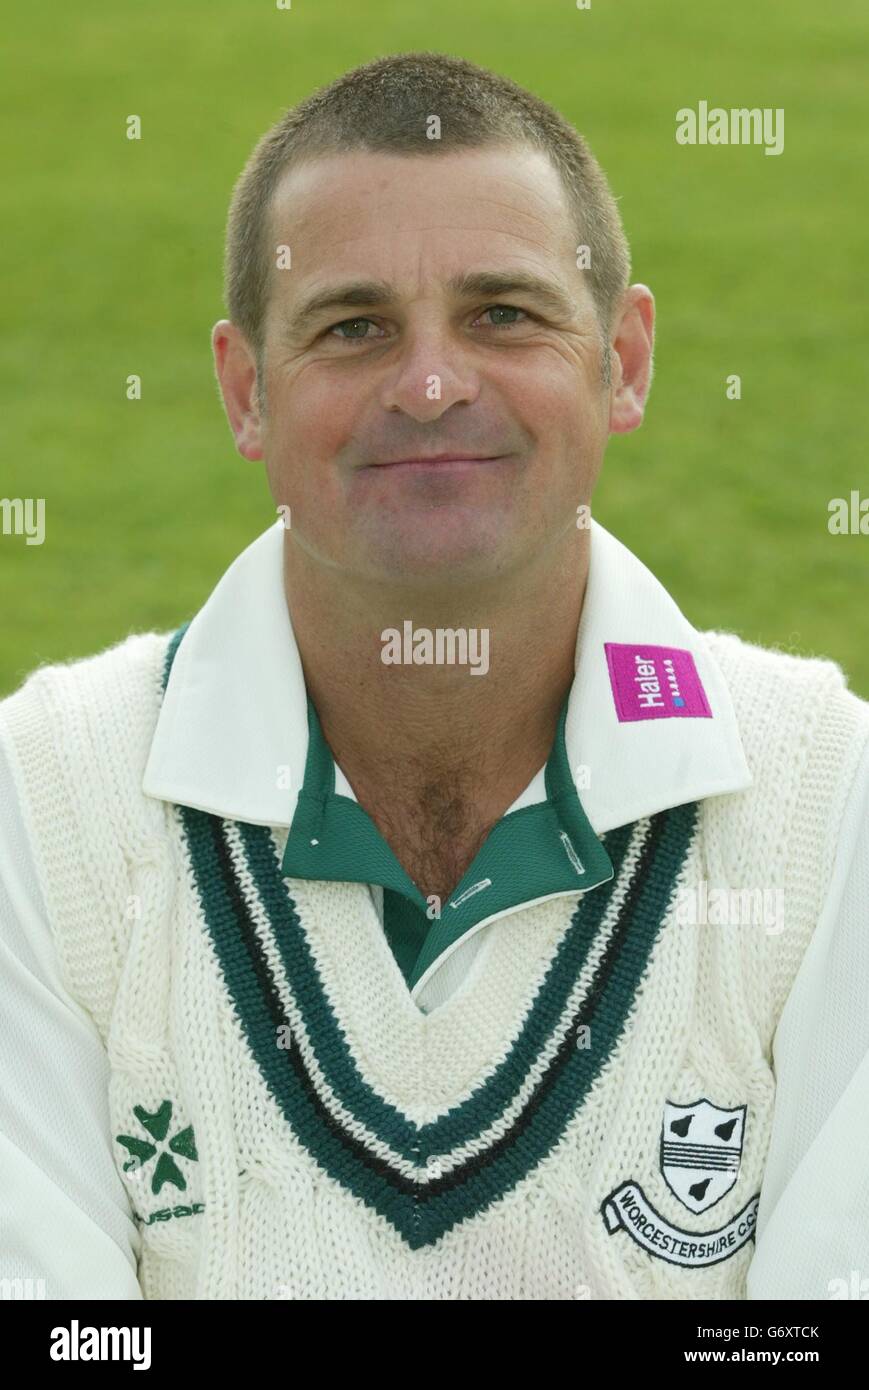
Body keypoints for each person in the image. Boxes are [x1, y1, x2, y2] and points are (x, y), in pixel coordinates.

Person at [1, 51, 867, 1302]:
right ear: (246, 392)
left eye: (503, 314)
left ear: (622, 359)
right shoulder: (44, 798)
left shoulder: (824, 795)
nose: (428, 384)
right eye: (352, 328)